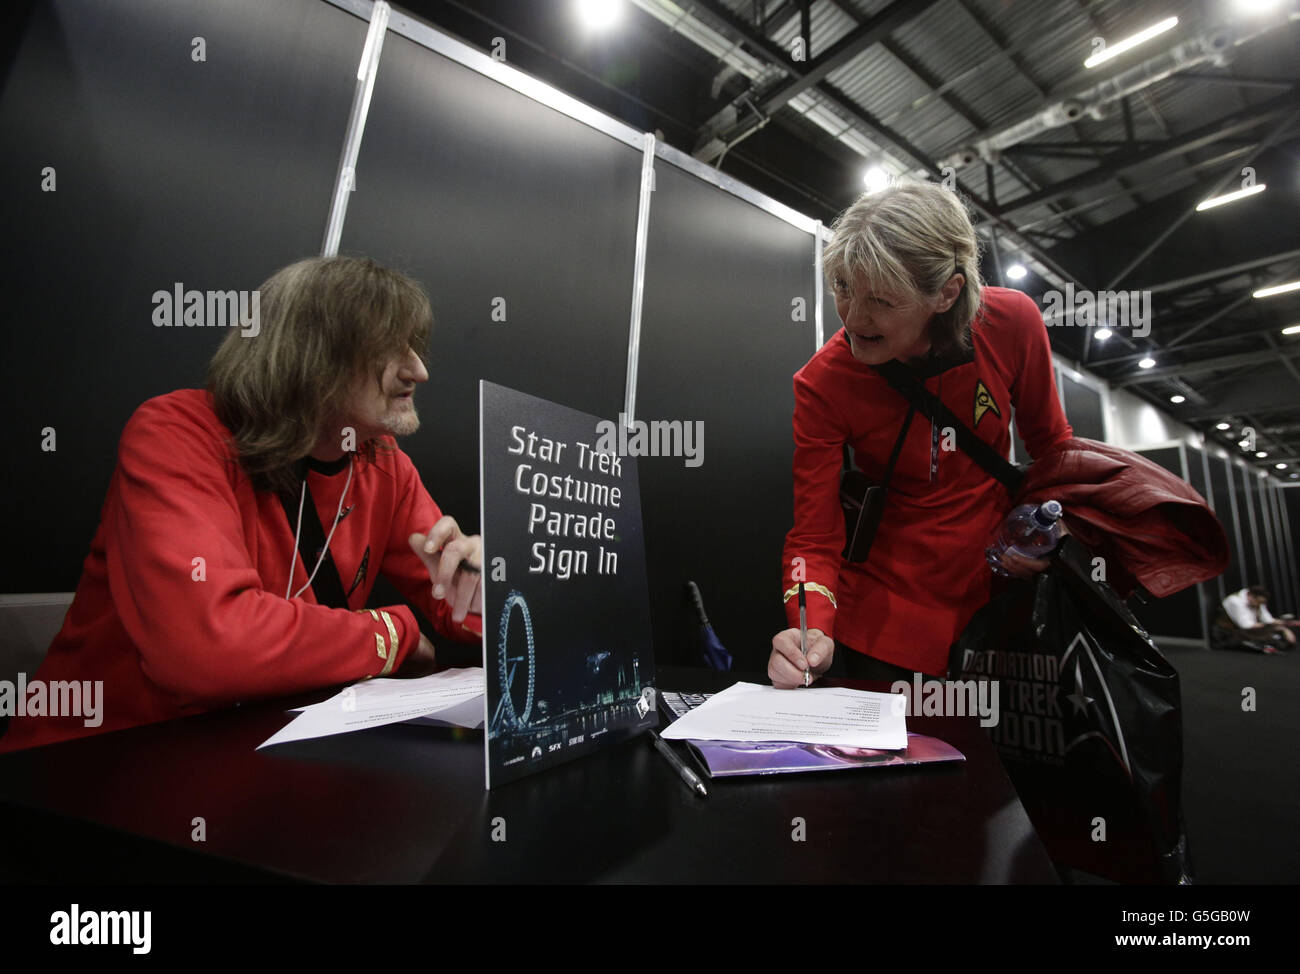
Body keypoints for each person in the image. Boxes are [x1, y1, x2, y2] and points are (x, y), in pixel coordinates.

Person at [0, 256, 483, 751]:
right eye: (390, 347)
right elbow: (207, 649)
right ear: (312, 355)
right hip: (90, 769)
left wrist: (485, 583)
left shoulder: (382, 462)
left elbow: (461, 607)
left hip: (259, 759)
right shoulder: (175, 433)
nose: (419, 370)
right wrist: (393, 632)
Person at [769, 181, 1072, 688]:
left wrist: (1048, 538)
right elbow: (814, 536)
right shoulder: (824, 382)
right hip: (886, 619)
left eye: (882, 301)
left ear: (946, 293)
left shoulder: (1012, 322)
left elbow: (1055, 453)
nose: (854, 317)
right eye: (843, 287)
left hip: (1001, 597)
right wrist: (810, 626)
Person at [1222, 585, 1296, 648]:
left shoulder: (1258, 602)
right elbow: (1246, 626)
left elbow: (1267, 619)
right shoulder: (1235, 602)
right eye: (1258, 602)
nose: (1259, 605)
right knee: (1271, 637)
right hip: (1233, 632)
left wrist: (1285, 625)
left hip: (1253, 628)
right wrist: (1280, 629)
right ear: (1251, 596)